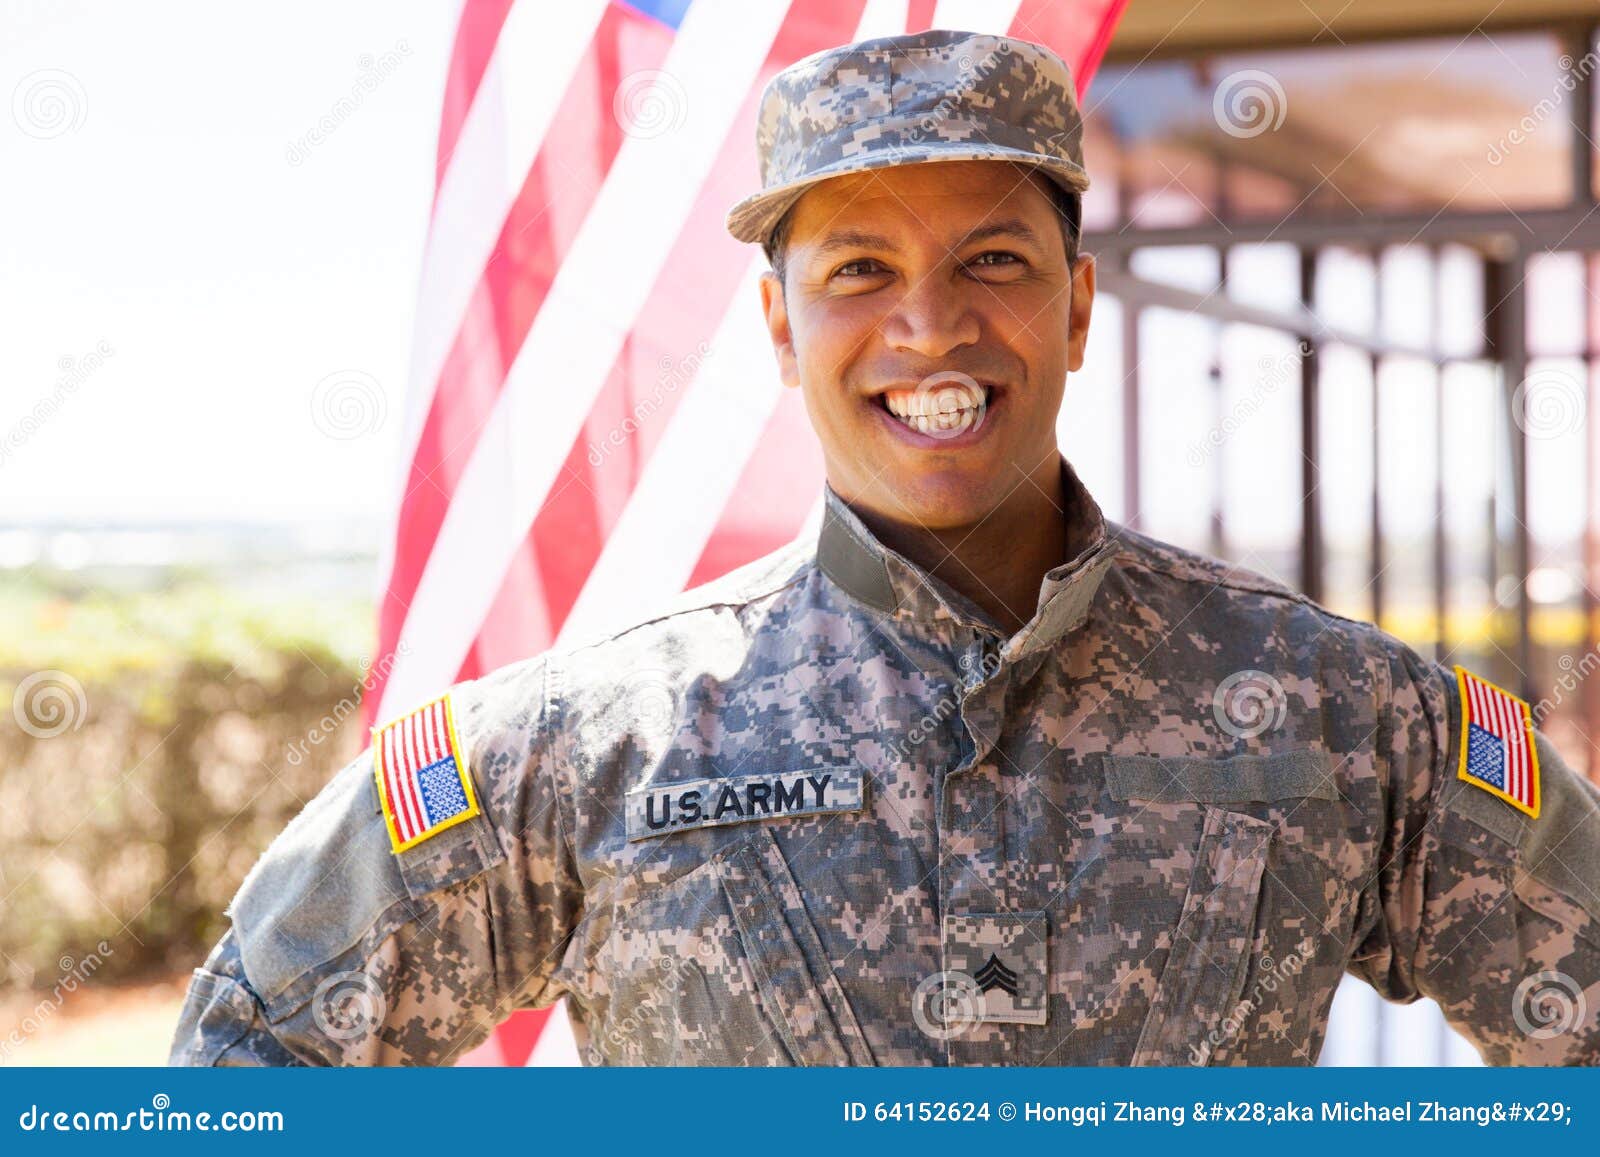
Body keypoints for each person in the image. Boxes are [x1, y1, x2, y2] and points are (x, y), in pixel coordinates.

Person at [170, 29, 1599, 1067]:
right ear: (780, 328)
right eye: (859, 269)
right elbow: (247, 1065)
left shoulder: (1345, 716)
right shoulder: (583, 743)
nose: (930, 328)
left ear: (1078, 306)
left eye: (994, 259)